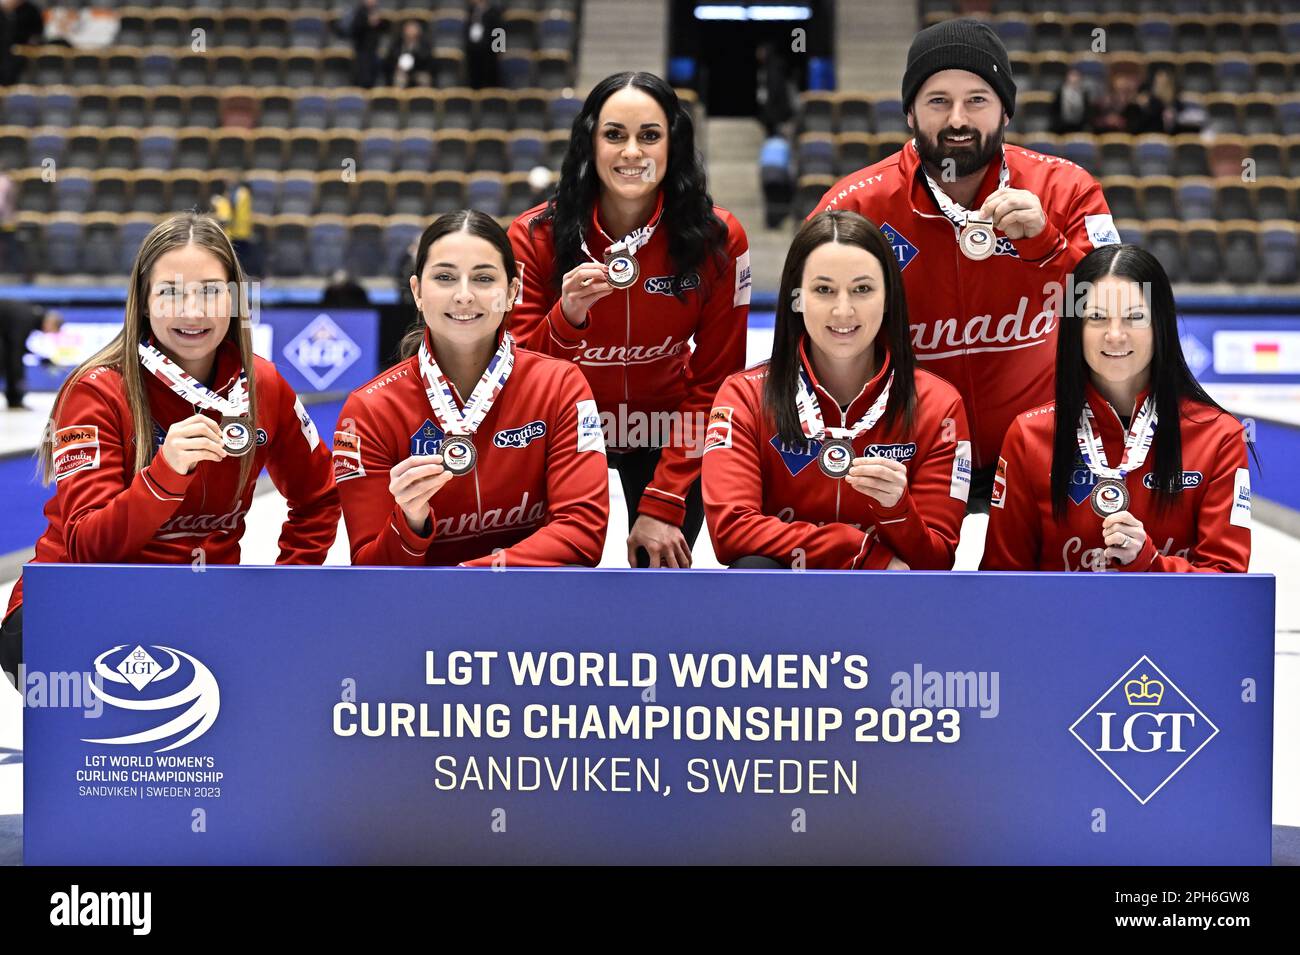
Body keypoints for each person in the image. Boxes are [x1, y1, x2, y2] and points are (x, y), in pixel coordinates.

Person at [0, 214, 340, 684]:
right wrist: (163, 477)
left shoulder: (262, 385)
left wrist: (285, 586)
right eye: (171, 292)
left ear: (235, 299)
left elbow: (319, 496)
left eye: (209, 291)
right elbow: (85, 547)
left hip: (204, 607)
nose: (192, 312)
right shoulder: (96, 391)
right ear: (142, 301)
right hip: (80, 601)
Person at [811, 18, 1118, 512]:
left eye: (977, 100)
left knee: (1055, 589)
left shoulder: (1067, 189)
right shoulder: (856, 206)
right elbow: (805, 329)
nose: (958, 119)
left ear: (1006, 112)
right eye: (938, 101)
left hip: (1044, 452)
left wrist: (1048, 246)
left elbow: (1121, 311)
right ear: (910, 113)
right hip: (903, 456)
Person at [508, 71, 750, 568]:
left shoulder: (718, 238)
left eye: (650, 136)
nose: (632, 153)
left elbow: (717, 382)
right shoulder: (533, 236)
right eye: (614, 135)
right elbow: (517, 381)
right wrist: (566, 318)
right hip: (563, 430)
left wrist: (663, 501)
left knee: (659, 567)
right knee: (553, 571)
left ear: (674, 145)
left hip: (662, 426)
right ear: (589, 144)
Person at [334, 210, 609, 568]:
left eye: (483, 278)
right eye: (445, 277)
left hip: (535, 612)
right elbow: (370, 572)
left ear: (512, 291)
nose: (464, 296)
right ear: (417, 291)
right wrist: (410, 524)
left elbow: (583, 534)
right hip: (424, 617)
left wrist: (469, 577)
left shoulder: (561, 386)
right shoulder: (370, 410)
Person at [703, 212, 971, 570]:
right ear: (797, 299)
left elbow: (936, 562)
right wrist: (857, 551)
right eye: (824, 289)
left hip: (889, 608)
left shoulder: (939, 406)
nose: (843, 310)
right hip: (786, 608)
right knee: (752, 566)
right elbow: (731, 531)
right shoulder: (744, 398)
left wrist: (897, 512)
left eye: (862, 289)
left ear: (889, 297)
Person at [981, 245, 1251, 573]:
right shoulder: (1029, 435)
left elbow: (1228, 583)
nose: (1115, 335)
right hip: (1058, 625)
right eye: (1096, 317)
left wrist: (1150, 564)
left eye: (1134, 317)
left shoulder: (1218, 436)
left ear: (1160, 325)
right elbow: (1002, 580)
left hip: (1169, 625)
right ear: (1074, 327)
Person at [0, 299, 61, 410]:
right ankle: (14, 400)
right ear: (50, 322)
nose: (45, 333)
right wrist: (17, 391)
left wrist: (42, 359)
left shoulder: (30, 316)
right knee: (9, 362)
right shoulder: (25, 320)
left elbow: (16, 345)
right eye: (50, 330)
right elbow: (15, 353)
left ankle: (14, 400)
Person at [383, 18, 433, 89]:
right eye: (408, 29)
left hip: (418, 71)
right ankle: (399, 99)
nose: (410, 32)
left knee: (424, 79)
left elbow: (428, 61)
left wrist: (414, 48)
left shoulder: (424, 45)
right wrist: (396, 67)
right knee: (399, 79)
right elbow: (389, 60)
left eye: (413, 29)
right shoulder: (397, 44)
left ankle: (423, 99)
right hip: (401, 72)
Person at [464, 0, 503, 90]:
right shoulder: (472, 12)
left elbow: (499, 31)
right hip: (474, 55)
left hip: (489, 56)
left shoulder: (494, 12)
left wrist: (499, 50)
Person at [1050, 67, 1091, 135]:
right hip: (1062, 127)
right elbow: (1054, 110)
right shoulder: (1059, 92)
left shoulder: (1084, 93)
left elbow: (1087, 111)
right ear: (1067, 77)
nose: (1074, 78)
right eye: (1072, 75)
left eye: (1076, 75)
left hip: (1080, 127)